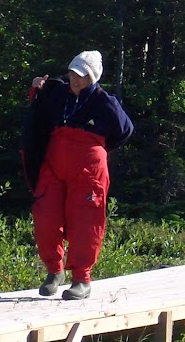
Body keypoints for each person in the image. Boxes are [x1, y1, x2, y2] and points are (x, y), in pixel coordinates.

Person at [21, 51, 133, 300]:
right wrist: (36, 88)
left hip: (88, 170)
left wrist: (97, 147)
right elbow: (38, 111)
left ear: (92, 78)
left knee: (86, 222)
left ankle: (82, 279)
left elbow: (125, 130)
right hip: (54, 163)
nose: (76, 79)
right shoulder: (58, 93)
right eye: (73, 73)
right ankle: (54, 271)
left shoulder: (105, 102)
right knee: (45, 216)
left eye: (82, 76)